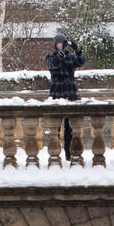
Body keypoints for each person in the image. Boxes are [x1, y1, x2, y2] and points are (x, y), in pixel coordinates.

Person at [45, 33, 85, 161]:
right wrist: (59, 57)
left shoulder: (70, 57)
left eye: (62, 43)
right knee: (55, 127)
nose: (60, 45)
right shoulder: (50, 57)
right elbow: (52, 65)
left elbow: (81, 62)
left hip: (70, 93)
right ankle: (54, 153)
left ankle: (69, 153)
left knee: (70, 128)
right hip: (57, 93)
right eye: (58, 43)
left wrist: (77, 50)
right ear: (55, 45)